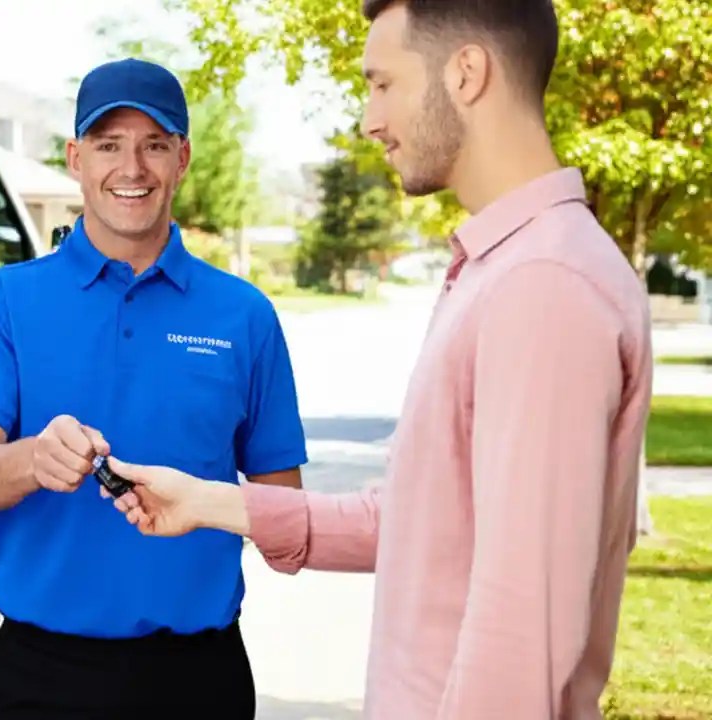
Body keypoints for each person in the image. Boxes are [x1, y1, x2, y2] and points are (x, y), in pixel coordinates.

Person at [103, 1, 654, 718]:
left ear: (466, 73)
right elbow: (413, 519)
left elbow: (523, 629)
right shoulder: (500, 270)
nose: (369, 118)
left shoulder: (543, 284)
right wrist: (205, 501)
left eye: (383, 83)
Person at [0, 57, 310, 720]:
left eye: (154, 145)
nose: (132, 168)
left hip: (198, 680)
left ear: (183, 157)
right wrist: (33, 459)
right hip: (37, 681)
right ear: (75, 158)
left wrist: (206, 504)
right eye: (109, 145)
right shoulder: (8, 301)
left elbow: (287, 518)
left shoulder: (244, 314)